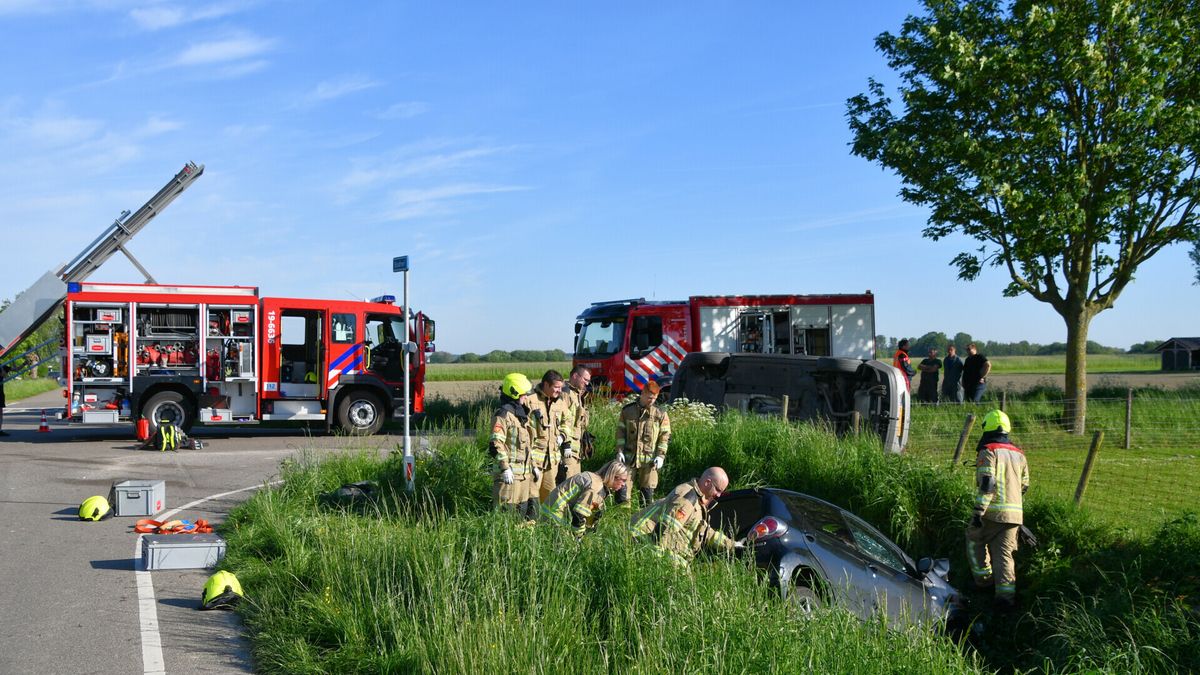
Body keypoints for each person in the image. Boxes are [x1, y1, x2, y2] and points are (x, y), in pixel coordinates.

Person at [966, 409, 1029, 611]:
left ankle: (983, 582)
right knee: (1004, 555)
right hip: (1015, 514)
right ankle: (1005, 599)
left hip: (992, 512)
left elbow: (987, 484)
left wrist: (978, 512)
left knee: (974, 539)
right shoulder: (1019, 454)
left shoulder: (988, 451)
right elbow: (1024, 485)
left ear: (987, 428)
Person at [630, 467, 741, 565]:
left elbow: (707, 533)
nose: (719, 495)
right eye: (718, 489)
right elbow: (664, 529)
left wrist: (733, 545)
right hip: (643, 539)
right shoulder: (688, 497)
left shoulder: (698, 500)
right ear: (707, 482)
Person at [614, 380, 671, 506]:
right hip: (628, 458)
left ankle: (643, 522)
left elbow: (665, 437)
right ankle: (622, 521)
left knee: (647, 496)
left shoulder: (660, 414)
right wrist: (619, 451)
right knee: (622, 493)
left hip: (650, 461)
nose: (652, 401)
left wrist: (661, 456)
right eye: (650, 398)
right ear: (643, 393)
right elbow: (620, 433)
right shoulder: (627, 411)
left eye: (655, 398)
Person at [490, 373, 538, 520]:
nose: (527, 397)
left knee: (521, 513)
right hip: (509, 476)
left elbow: (527, 446)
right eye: (524, 394)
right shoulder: (503, 415)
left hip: (523, 476)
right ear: (515, 393)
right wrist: (505, 468)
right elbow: (496, 443)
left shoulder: (521, 415)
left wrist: (533, 466)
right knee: (505, 515)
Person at [540, 460, 629, 536]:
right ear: (613, 477)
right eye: (623, 480)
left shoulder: (594, 479)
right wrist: (579, 537)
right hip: (555, 516)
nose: (624, 485)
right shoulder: (596, 487)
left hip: (551, 511)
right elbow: (579, 514)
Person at [528, 369, 573, 502]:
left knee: (549, 492)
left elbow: (567, 421)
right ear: (546, 385)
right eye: (556, 387)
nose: (559, 391)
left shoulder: (559, 402)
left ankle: (546, 521)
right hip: (534, 459)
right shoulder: (530, 400)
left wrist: (563, 436)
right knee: (532, 493)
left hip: (552, 460)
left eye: (561, 387)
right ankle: (530, 522)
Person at [560, 366, 592, 481]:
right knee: (566, 485)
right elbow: (562, 421)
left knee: (574, 485)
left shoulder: (577, 395)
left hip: (576, 451)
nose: (587, 384)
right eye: (585, 379)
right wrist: (566, 445)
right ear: (575, 376)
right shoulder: (565, 393)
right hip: (567, 451)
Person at [0, 361, 9, 436]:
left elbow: (16, 369)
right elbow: (4, 375)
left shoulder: (2, 366)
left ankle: (0, 430)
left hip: (0, 394)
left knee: (0, 412)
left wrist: (24, 364)